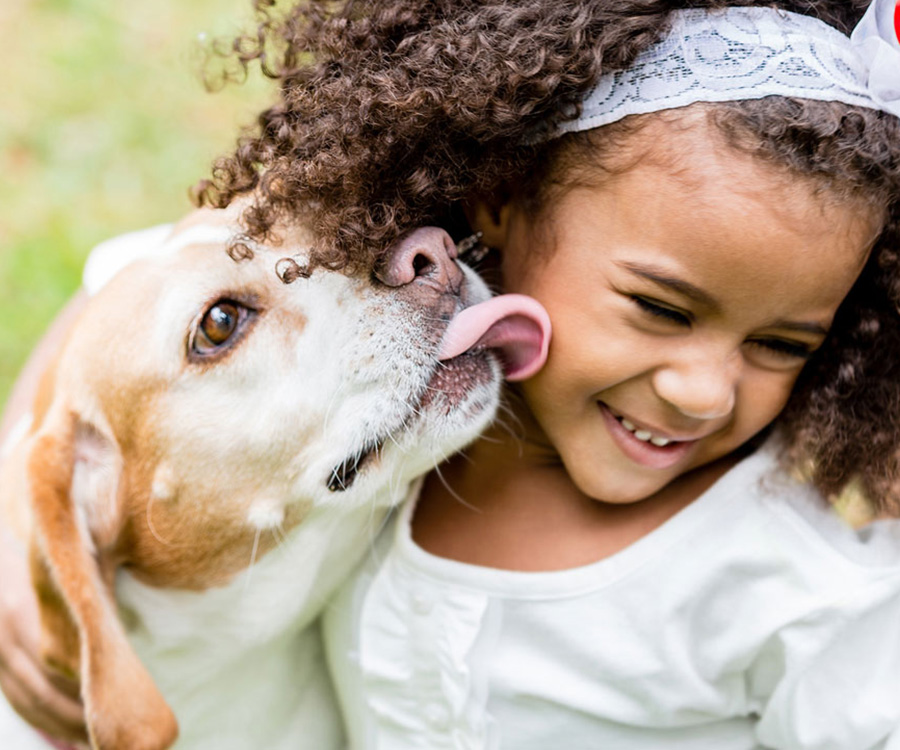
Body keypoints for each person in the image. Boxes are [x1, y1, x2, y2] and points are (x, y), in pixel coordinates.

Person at [3, 0, 900, 748]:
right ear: (495, 200)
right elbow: (118, 296)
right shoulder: (455, 332)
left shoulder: (786, 578)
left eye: (787, 344)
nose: (703, 389)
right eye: (224, 326)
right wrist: (27, 513)